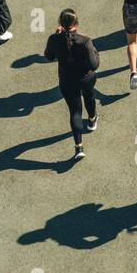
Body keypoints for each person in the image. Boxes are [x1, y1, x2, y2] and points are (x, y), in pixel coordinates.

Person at [44, 8, 100, 160]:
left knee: (75, 112)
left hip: (67, 81)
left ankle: (79, 147)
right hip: (86, 78)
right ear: (77, 24)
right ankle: (92, 119)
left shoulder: (54, 39)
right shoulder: (85, 41)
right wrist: (95, 52)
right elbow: (94, 65)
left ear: (60, 24)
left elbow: (48, 57)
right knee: (89, 97)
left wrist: (56, 36)